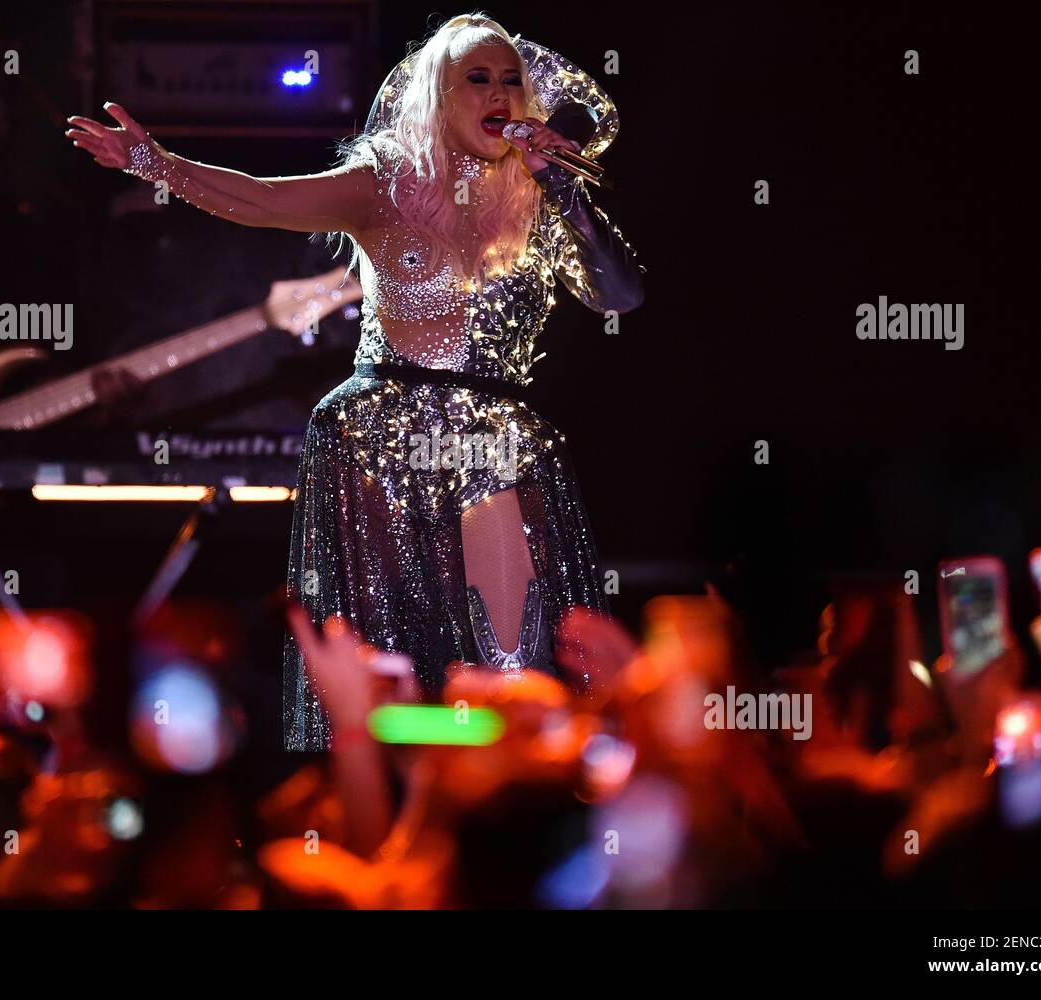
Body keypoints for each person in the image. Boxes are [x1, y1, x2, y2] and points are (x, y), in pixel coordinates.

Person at [65, 14, 645, 750]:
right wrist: (156, 163)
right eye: (477, 79)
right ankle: (383, 795)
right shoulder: (385, 185)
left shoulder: (536, 198)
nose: (498, 94)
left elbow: (621, 296)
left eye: (510, 81)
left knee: (510, 661)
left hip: (494, 441)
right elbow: (262, 199)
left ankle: (496, 799)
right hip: (379, 439)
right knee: (387, 664)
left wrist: (559, 186)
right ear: (438, 95)